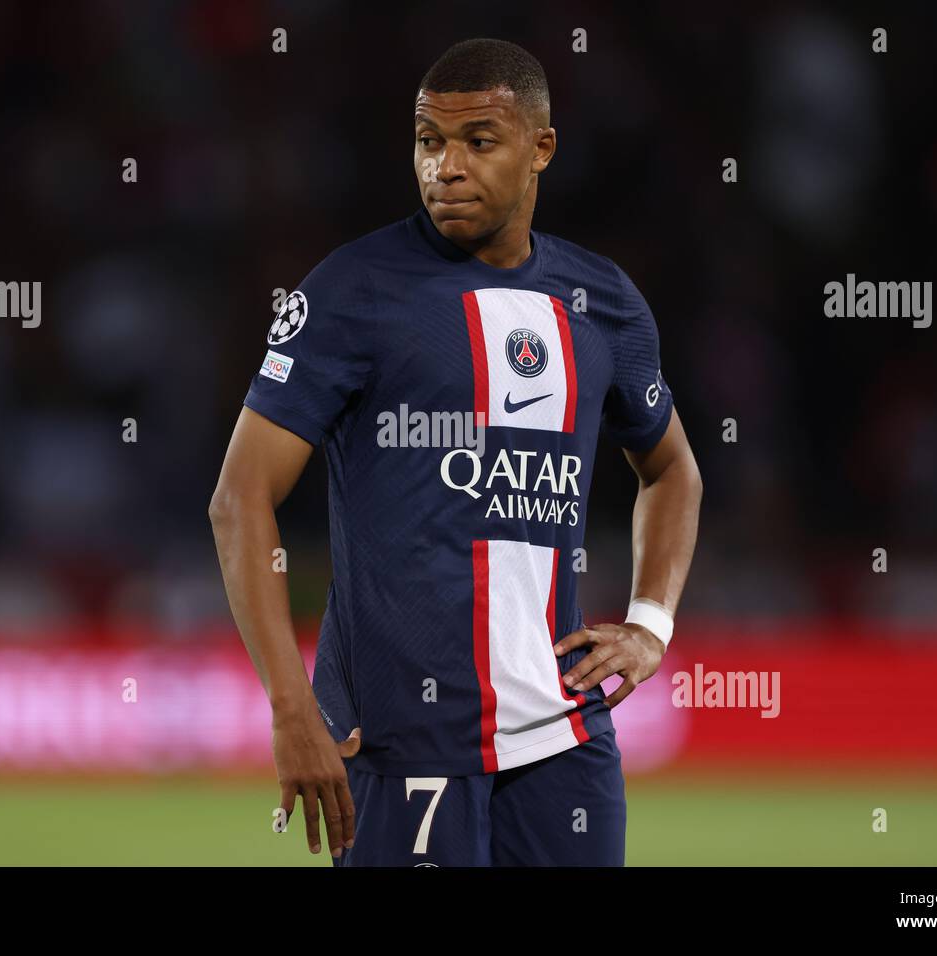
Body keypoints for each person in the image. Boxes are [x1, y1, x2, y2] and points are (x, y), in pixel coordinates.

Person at [210, 37, 702, 866]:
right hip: (398, 741)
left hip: (561, 737)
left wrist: (651, 623)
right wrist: (291, 707)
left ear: (541, 148)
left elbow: (671, 468)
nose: (445, 167)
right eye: (428, 140)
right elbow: (240, 498)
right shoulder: (351, 292)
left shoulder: (602, 304)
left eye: (478, 141)